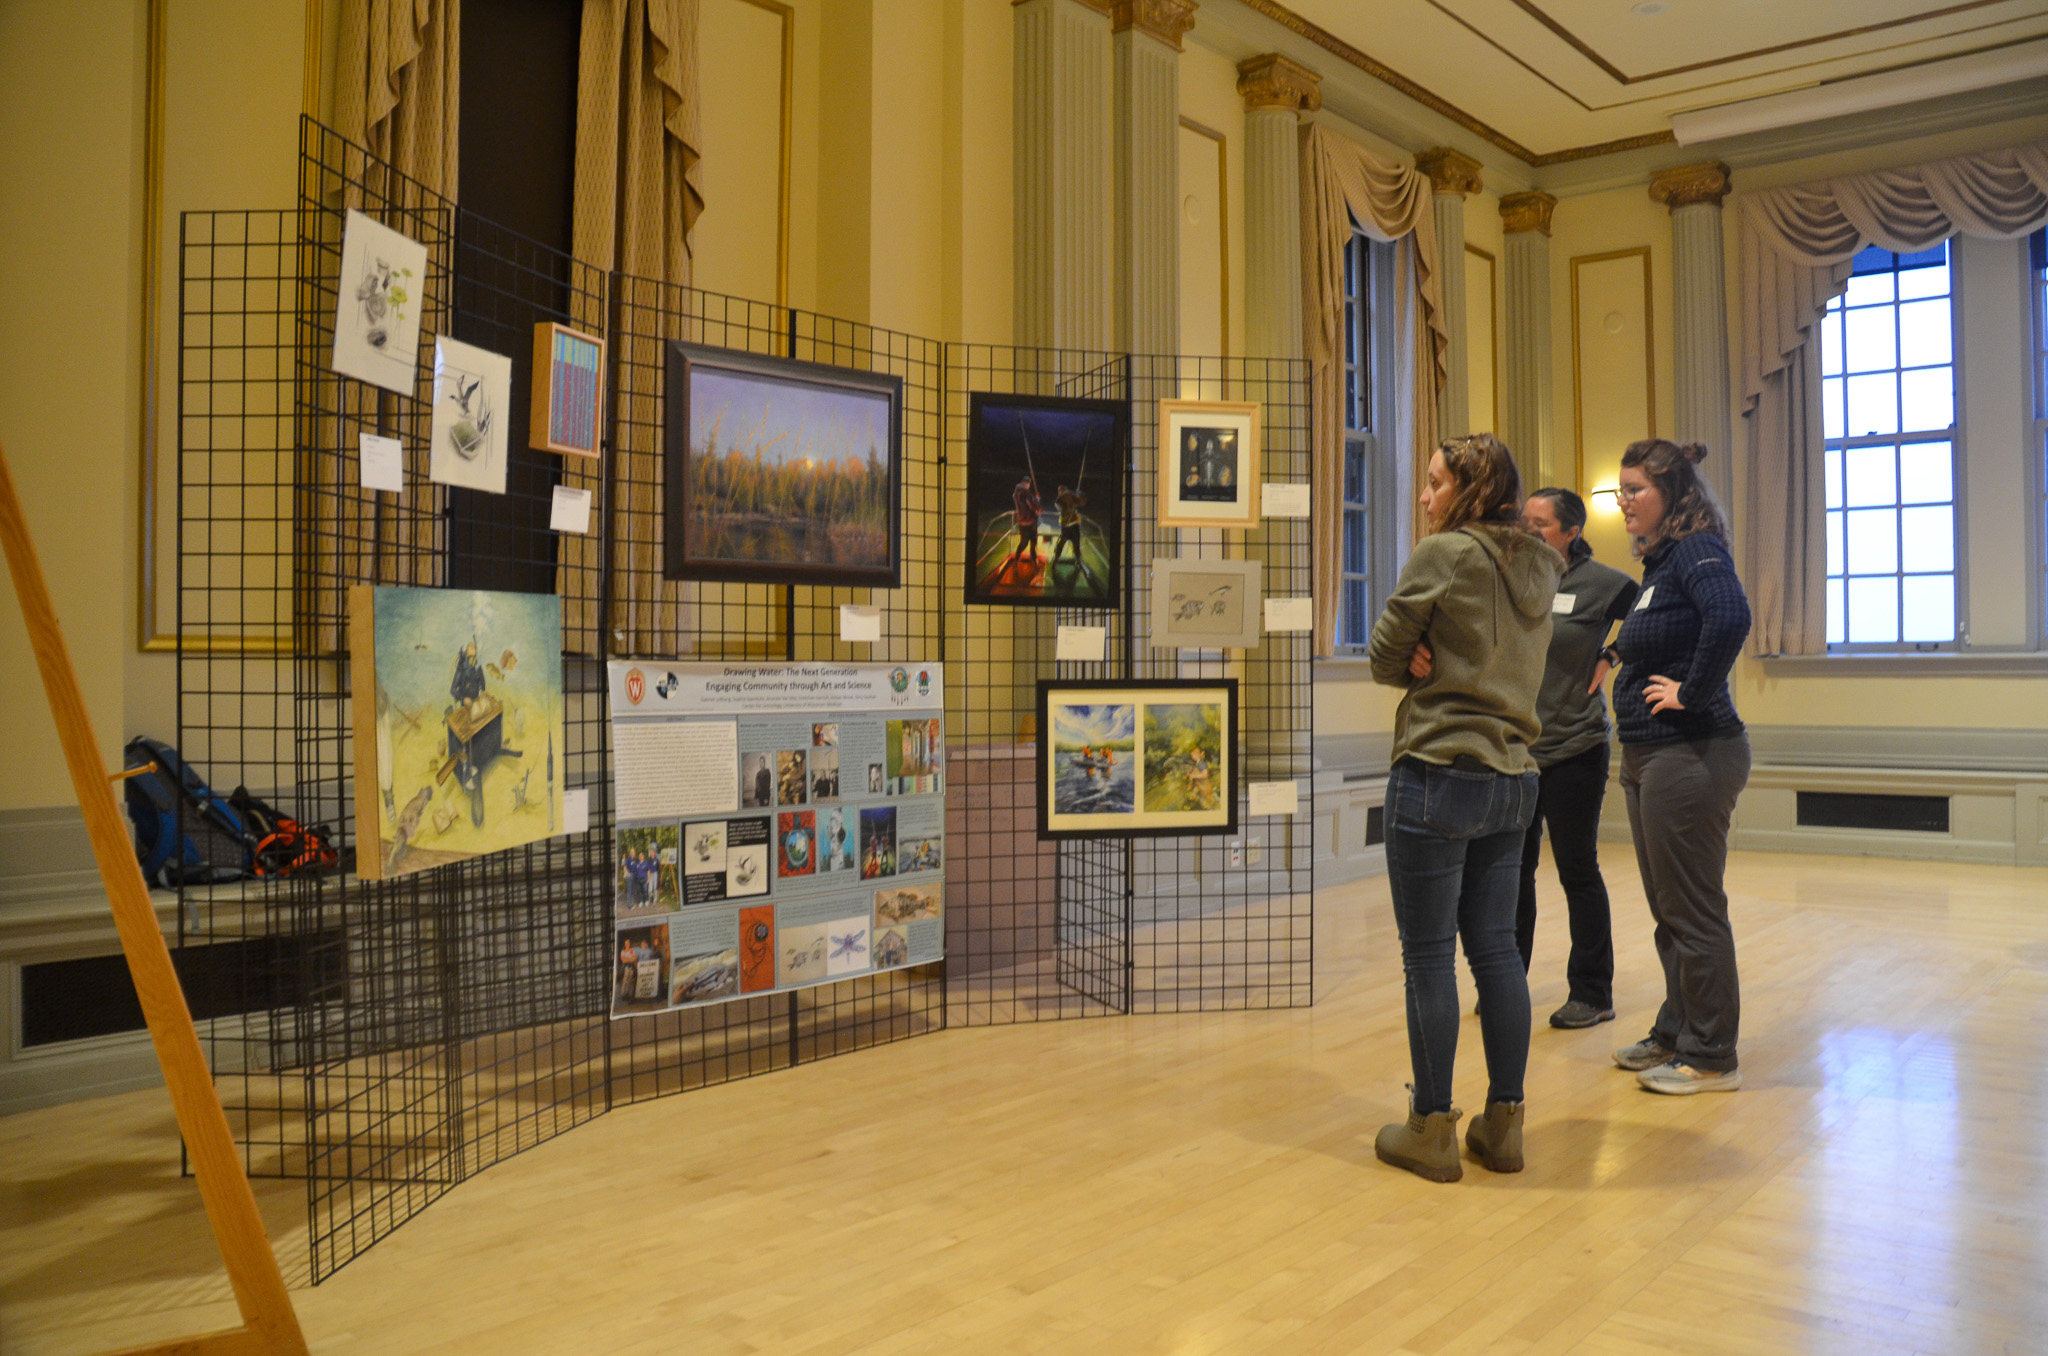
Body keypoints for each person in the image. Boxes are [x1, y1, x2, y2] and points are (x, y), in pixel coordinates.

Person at [1366, 433, 1563, 1183]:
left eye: (1434, 482)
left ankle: (1431, 1129)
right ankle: (1504, 1126)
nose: (1425, 498)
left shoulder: (1444, 555)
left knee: (1427, 958)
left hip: (1439, 771)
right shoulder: (1542, 562)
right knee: (1498, 952)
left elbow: (1386, 657)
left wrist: (1420, 652)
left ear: (1469, 489)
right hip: (1515, 778)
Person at [1608, 439, 1752, 1095]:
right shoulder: (1660, 566)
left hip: (1690, 751)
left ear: (1673, 494)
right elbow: (1664, 632)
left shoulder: (1695, 549)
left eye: (1635, 488)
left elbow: (1731, 616)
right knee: (1669, 910)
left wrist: (1690, 692)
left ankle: (1712, 1054)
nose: (1623, 501)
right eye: (1621, 489)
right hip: (1649, 753)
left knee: (1692, 910)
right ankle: (1676, 1030)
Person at [1517, 488, 1640, 1030]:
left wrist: (1612, 654)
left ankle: (1592, 993)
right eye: (1525, 521)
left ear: (1571, 532)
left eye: (1540, 524)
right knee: (1513, 872)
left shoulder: (1601, 584)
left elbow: (1650, 610)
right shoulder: (1516, 575)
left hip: (1575, 747)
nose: (1528, 530)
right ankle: (1505, 983)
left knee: (1576, 869)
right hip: (1517, 750)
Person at [1010, 477, 1042, 565]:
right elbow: (1033, 506)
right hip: (1030, 521)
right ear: (1027, 483)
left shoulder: (1016, 493)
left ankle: (1017, 558)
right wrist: (1037, 499)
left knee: (1023, 542)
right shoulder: (1027, 492)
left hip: (1021, 521)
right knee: (1033, 541)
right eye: (1029, 484)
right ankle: (1034, 559)